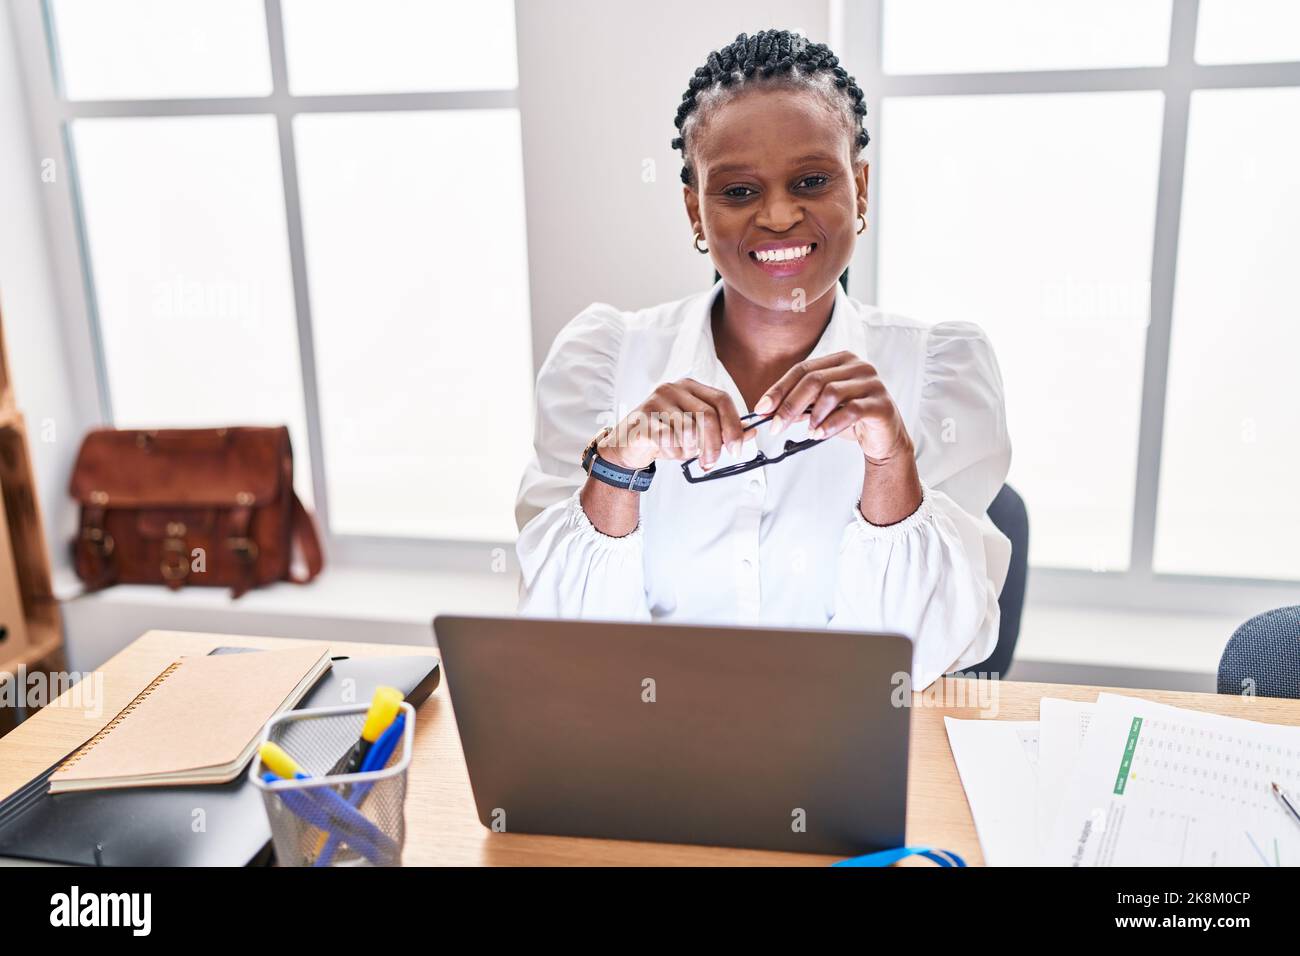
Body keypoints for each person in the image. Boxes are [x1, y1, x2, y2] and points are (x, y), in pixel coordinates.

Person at [514, 29, 1012, 688]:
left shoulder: (941, 371)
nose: (779, 215)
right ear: (695, 209)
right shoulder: (601, 362)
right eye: (739, 191)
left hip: (848, 757)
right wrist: (616, 469)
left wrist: (892, 463)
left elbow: (922, 660)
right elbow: (559, 649)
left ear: (859, 190)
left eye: (811, 180)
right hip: (649, 753)